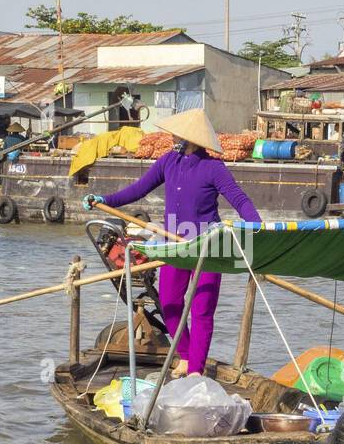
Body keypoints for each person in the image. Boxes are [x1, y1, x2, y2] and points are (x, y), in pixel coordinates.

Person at [82, 109, 259, 379]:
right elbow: (137, 189)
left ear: (191, 138)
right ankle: (187, 356)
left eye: (177, 134)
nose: (173, 137)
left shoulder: (214, 168)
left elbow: (239, 199)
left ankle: (196, 372)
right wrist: (103, 200)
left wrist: (256, 226)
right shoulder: (168, 163)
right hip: (173, 246)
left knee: (201, 309)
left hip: (207, 247)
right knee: (170, 303)